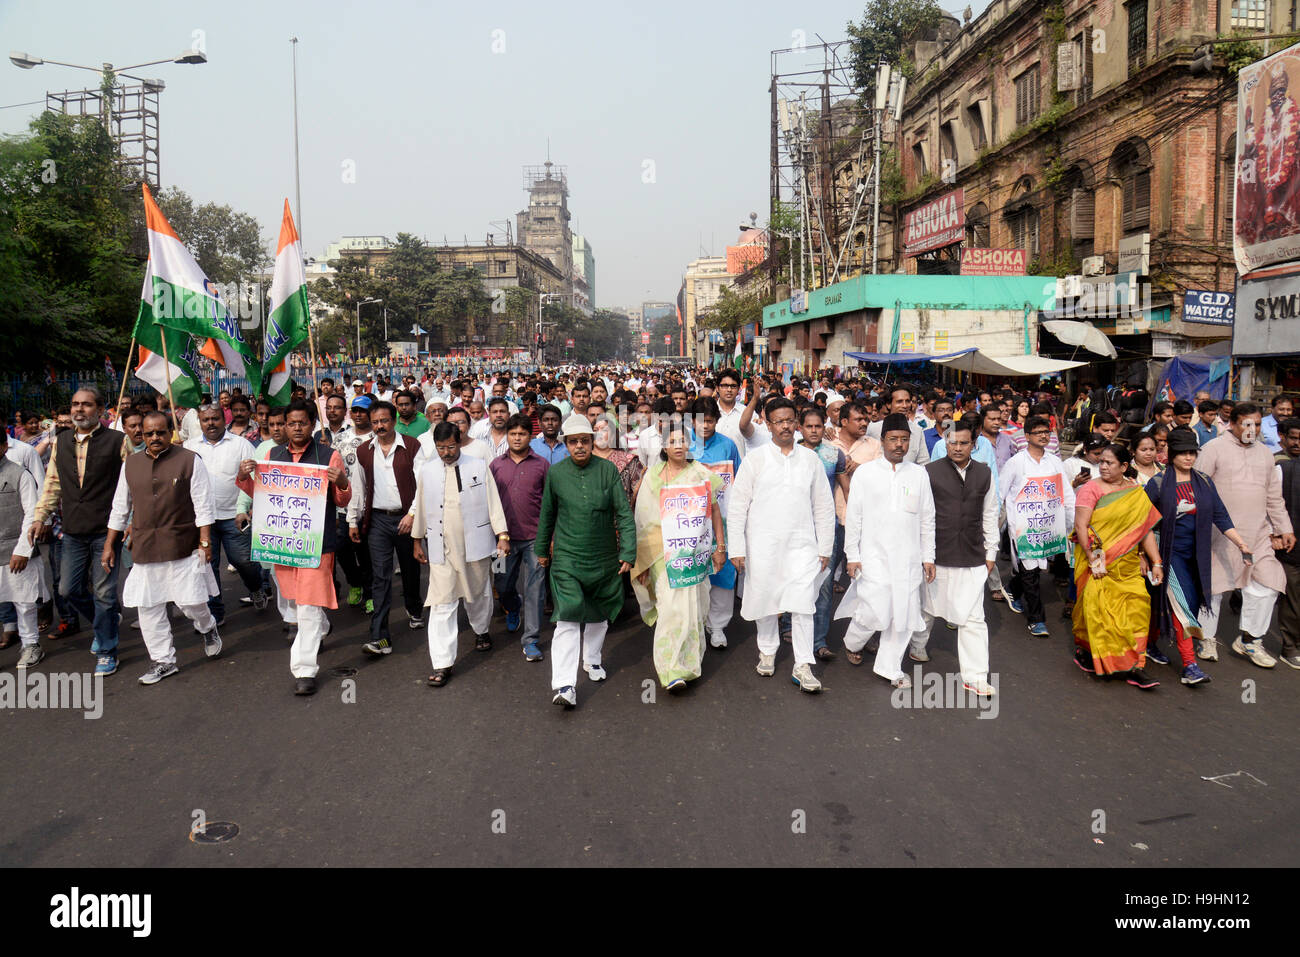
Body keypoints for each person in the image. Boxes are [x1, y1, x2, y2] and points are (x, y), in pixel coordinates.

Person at [236, 400, 352, 696]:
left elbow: (342, 500)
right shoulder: (273, 456)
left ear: (313, 424)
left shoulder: (329, 455)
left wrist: (342, 482)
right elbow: (261, 496)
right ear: (283, 425)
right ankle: (322, 626)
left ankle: (304, 670)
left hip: (316, 544)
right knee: (300, 601)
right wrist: (244, 475)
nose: (296, 428)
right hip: (283, 544)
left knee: (308, 607)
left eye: (302, 422)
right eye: (291, 423)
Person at [103, 411, 222, 685]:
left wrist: (205, 541)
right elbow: (120, 508)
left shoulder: (190, 460)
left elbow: (203, 504)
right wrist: (110, 545)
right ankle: (163, 661)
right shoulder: (130, 465)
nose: (154, 438)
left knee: (192, 603)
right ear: (141, 436)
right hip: (144, 548)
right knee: (149, 606)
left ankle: (208, 627)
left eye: (160, 432)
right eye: (149, 434)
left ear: (171, 431)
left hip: (183, 545)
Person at [727, 397, 834, 693]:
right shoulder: (756, 460)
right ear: (768, 423)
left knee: (802, 605)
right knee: (765, 600)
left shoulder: (810, 460)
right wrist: (737, 548)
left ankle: (803, 664)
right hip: (763, 544)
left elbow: (823, 507)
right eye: (779, 421)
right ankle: (768, 650)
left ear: (796, 422)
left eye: (790, 420)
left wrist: (825, 547)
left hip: (802, 546)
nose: (785, 426)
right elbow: (738, 507)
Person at [534, 414, 636, 708]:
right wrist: (542, 549)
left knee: (599, 613)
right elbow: (547, 515)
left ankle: (592, 660)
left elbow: (623, 514)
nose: (580, 446)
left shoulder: (607, 470)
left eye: (585, 441)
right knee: (567, 615)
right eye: (574, 441)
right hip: (567, 556)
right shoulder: (556, 473)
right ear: (566, 444)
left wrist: (627, 552)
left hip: (604, 557)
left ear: (592, 442)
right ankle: (564, 684)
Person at [27, 387, 122, 675]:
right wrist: (39, 517)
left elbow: (129, 487)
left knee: (105, 593)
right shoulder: (61, 441)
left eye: (86, 405)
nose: (79, 410)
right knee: (68, 589)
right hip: (73, 530)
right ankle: (104, 623)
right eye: (75, 405)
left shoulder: (118, 441)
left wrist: (128, 522)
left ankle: (107, 649)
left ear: (101, 409)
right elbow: (52, 484)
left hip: (107, 531)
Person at [1145, 427, 1250, 685]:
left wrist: (1240, 543)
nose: (1188, 458)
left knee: (1185, 603)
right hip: (1168, 555)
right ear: (1171, 453)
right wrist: (1147, 558)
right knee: (1182, 607)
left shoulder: (1203, 481)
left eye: (1192, 452)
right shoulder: (1157, 484)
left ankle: (1149, 643)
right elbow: (1142, 523)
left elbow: (1220, 515)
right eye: (1183, 453)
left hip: (1197, 555)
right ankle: (1190, 665)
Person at [839, 413, 936, 689]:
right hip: (873, 556)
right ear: (882, 441)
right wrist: (852, 555)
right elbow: (854, 516)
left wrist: (928, 556)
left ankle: (889, 667)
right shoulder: (866, 473)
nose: (899, 445)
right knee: (874, 609)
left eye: (904, 440)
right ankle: (853, 641)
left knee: (903, 614)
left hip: (908, 557)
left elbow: (927, 518)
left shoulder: (918, 475)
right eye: (893, 439)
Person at [1195, 402, 1295, 667]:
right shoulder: (1213, 448)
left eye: (1258, 424)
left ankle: (1250, 640)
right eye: (1248, 423)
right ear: (1233, 424)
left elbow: (1274, 497)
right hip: (1219, 532)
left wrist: (1283, 528)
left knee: (1269, 583)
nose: (1253, 429)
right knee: (1214, 588)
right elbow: (1198, 489)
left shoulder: (1266, 454)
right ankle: (1206, 639)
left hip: (1258, 534)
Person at [411, 422, 510, 687]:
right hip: (441, 548)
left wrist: (502, 535)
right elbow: (420, 505)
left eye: (451, 446)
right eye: (441, 448)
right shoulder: (428, 470)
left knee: (478, 594)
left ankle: (481, 630)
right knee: (441, 604)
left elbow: (493, 501)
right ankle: (442, 663)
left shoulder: (477, 465)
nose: (446, 452)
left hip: (475, 544)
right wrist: (417, 540)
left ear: (460, 442)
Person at [631, 421, 727, 692]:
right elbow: (643, 521)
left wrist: (720, 548)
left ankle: (689, 665)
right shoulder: (653, 475)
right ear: (663, 446)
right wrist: (643, 561)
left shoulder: (701, 474)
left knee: (694, 609)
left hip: (693, 554)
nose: (678, 446)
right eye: (672, 441)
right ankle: (670, 670)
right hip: (661, 554)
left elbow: (715, 512)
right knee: (671, 609)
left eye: (682, 441)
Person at [906, 420, 998, 695]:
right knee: (928, 607)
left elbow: (990, 512)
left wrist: (991, 551)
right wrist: (923, 555)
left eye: (963, 443)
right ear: (944, 443)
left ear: (974, 444)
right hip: (936, 553)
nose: (957, 448)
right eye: (952, 442)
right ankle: (917, 645)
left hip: (972, 553)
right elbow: (916, 513)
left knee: (973, 617)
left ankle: (975, 676)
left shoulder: (984, 473)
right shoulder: (928, 472)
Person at [1070, 444, 1165, 688]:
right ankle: (1096, 655)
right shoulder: (1090, 489)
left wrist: (1156, 562)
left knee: (1136, 611)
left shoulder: (1135, 492)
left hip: (1129, 566)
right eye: (1101, 461)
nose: (1102, 466)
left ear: (1124, 466)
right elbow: (1081, 526)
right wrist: (1091, 557)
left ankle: (1135, 666)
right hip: (1099, 563)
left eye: (1109, 463)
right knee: (1099, 613)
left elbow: (1145, 530)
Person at [350, 401, 425, 657]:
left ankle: (414, 608)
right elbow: (358, 488)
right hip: (378, 522)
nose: (379, 426)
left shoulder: (412, 447)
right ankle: (380, 637)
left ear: (393, 421)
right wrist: (353, 520)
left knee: (410, 569)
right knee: (380, 576)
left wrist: (413, 514)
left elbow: (422, 484)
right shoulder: (363, 451)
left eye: (384, 421)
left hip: (406, 519)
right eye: (375, 422)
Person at [185, 403, 268, 625]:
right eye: (205, 420)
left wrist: (250, 508)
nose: (210, 423)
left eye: (215, 419)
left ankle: (257, 588)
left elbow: (255, 477)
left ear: (224, 419)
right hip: (203, 519)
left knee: (243, 561)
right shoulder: (188, 447)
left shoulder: (241, 445)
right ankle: (215, 613)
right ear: (199, 422)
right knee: (208, 568)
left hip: (234, 516)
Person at [1002, 415, 1076, 636]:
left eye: (1047, 432)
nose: (1044, 436)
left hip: (1047, 527)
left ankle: (1012, 590)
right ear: (1027, 437)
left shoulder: (1054, 462)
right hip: (1022, 529)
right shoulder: (1015, 463)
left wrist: (1072, 522)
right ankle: (1036, 619)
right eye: (1038, 432)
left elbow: (1066, 493)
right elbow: (1000, 493)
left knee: (1036, 569)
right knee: (1030, 572)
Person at [490, 414, 550, 662]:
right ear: (507, 436)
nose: (517, 438)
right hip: (502, 540)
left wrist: (550, 536)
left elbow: (550, 502)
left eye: (522, 434)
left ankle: (531, 640)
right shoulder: (495, 465)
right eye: (512, 434)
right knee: (501, 584)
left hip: (535, 538)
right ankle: (512, 605)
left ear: (530, 437)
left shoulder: (541, 464)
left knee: (535, 589)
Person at [688, 397, 742, 649]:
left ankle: (718, 626)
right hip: (690, 520)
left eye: (710, 421)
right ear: (692, 420)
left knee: (723, 570)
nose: (706, 426)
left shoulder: (728, 446)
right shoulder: (682, 443)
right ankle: (696, 625)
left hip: (723, 518)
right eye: (701, 421)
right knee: (693, 570)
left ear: (717, 421)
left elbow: (738, 481)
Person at [799, 405, 848, 660]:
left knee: (825, 585)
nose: (814, 430)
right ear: (800, 428)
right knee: (795, 580)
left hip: (826, 528)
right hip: (795, 529)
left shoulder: (834, 454)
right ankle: (789, 627)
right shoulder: (791, 453)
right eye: (809, 426)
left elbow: (846, 490)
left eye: (819, 426)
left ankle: (819, 640)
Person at [0, 430, 50, 669]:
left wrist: (23, 550)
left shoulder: (19, 474)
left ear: (3, 447)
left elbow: (32, 513)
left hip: (15, 552)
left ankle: (31, 645)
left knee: (24, 601)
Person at [866, 385, 931, 465]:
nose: (904, 406)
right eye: (899, 401)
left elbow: (924, 463)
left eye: (907, 401)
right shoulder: (873, 429)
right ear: (889, 404)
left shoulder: (917, 431)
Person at [591, 416, 643, 509]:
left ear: (613, 435)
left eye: (604, 430)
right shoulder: (584, 460)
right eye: (595, 430)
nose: (599, 433)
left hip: (622, 518)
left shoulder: (629, 460)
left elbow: (640, 497)